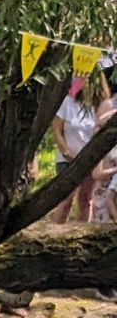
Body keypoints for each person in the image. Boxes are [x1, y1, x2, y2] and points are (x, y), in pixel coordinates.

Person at [52, 75, 109, 223]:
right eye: (81, 78)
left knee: (86, 199)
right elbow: (56, 130)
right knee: (66, 198)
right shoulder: (67, 102)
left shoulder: (100, 107)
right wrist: (66, 152)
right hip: (67, 159)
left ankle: (82, 230)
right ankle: (54, 229)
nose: (84, 81)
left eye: (88, 78)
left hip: (89, 160)